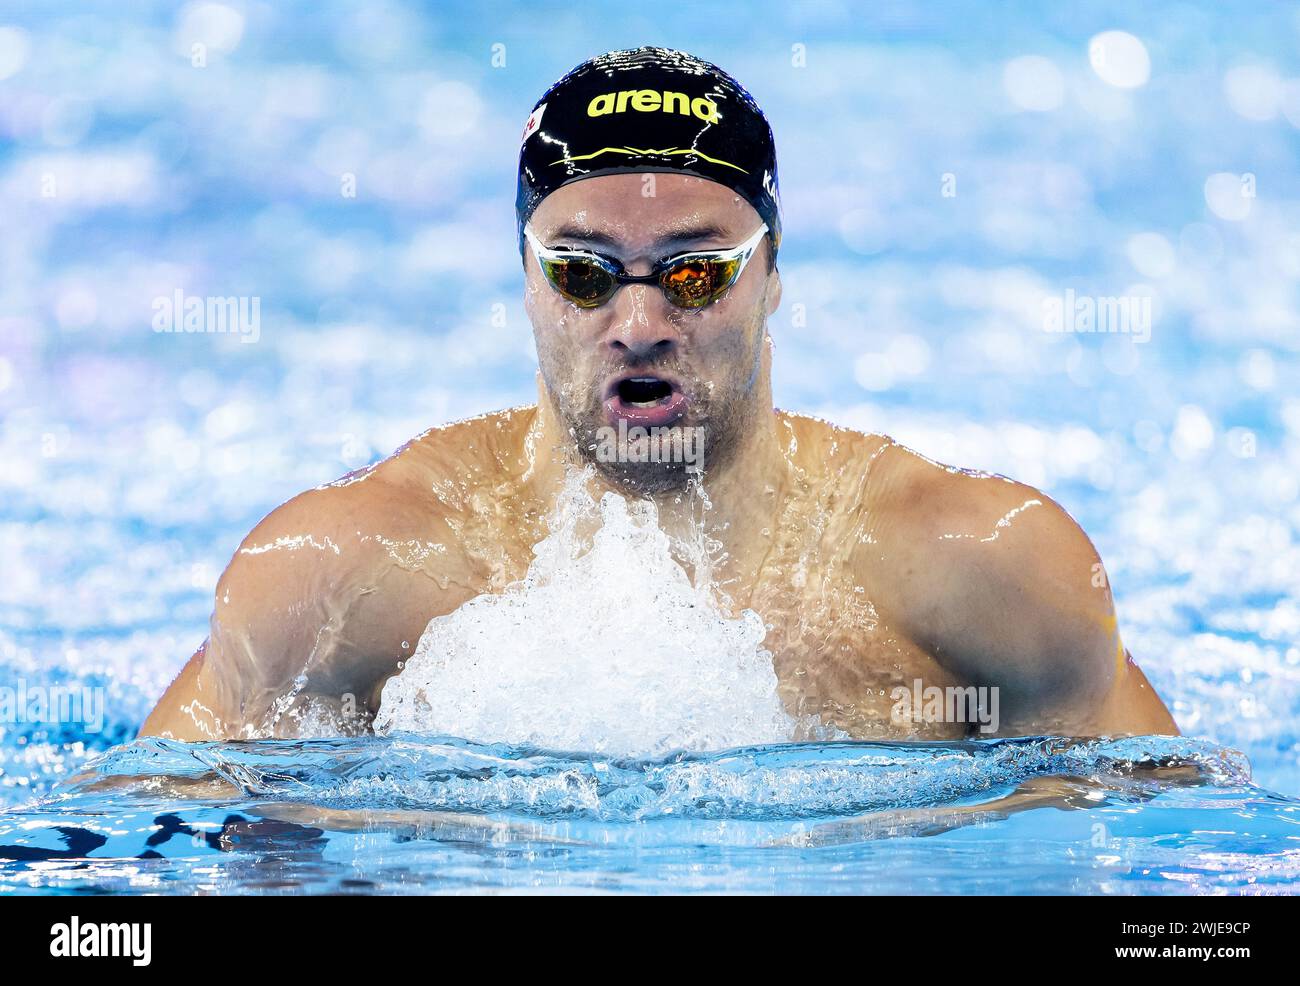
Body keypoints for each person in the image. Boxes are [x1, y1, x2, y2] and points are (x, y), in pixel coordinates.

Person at [141, 47, 1176, 742]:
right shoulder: (338, 579)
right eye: (583, 272)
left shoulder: (984, 575)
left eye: (694, 272)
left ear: (773, 277)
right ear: (525, 279)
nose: (637, 323)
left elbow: (1178, 880)